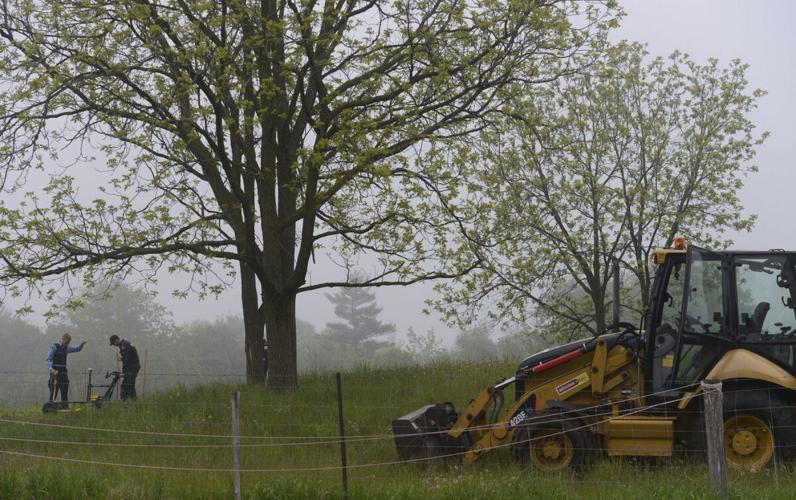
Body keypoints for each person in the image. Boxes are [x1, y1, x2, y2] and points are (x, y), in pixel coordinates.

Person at [45, 333, 86, 408]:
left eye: (69, 342)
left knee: (65, 390)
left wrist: (81, 345)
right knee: (54, 391)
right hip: (55, 372)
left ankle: (65, 406)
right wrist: (51, 369)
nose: (68, 343)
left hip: (63, 372)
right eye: (67, 342)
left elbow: (76, 349)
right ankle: (49, 407)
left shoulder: (66, 348)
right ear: (64, 339)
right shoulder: (55, 347)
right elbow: (48, 359)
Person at [109, 334, 141, 401]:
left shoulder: (125, 345)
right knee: (126, 385)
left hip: (132, 368)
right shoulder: (124, 345)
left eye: (114, 343)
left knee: (129, 385)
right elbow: (127, 358)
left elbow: (127, 359)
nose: (114, 345)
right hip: (131, 367)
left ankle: (132, 400)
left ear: (117, 340)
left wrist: (124, 371)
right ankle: (129, 400)